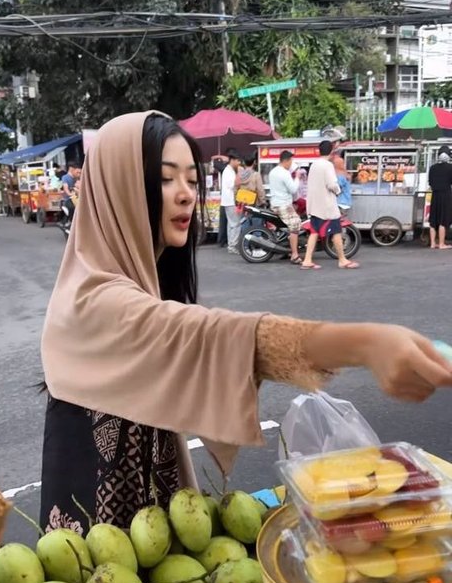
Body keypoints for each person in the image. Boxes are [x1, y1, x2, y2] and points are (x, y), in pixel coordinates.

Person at [38, 110, 452, 534]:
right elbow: (219, 337)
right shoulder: (92, 302)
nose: (185, 195)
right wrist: (366, 344)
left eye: (192, 181)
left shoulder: (136, 283)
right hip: (94, 556)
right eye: (165, 179)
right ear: (116, 189)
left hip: (154, 538)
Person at [302, 140, 359, 271]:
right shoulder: (327, 165)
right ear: (332, 151)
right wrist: (339, 191)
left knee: (314, 232)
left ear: (319, 150)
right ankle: (342, 260)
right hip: (327, 206)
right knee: (336, 231)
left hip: (314, 205)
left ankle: (307, 260)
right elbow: (332, 184)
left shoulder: (314, 164)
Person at [268, 150, 302, 265]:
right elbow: (293, 189)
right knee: (296, 224)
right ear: (286, 161)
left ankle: (287, 249)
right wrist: (297, 177)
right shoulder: (284, 173)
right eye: (291, 161)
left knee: (288, 226)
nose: (291, 164)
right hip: (283, 205)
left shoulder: (273, 172)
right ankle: (294, 254)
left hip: (275, 203)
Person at [428, 151, 452, 250]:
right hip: (446, 195)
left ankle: (433, 243)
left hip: (435, 194)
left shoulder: (432, 168)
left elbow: (430, 182)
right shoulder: (450, 167)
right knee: (443, 219)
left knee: (433, 219)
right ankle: (442, 244)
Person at [220, 150, 242, 254]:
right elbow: (235, 184)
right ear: (232, 160)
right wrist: (240, 172)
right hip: (230, 201)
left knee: (231, 224)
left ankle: (231, 245)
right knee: (235, 224)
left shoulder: (229, 170)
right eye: (237, 161)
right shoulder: (229, 171)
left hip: (228, 201)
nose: (239, 163)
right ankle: (233, 246)